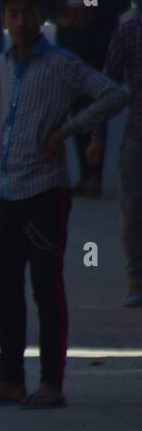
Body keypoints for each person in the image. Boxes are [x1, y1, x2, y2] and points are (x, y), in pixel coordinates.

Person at [0, 0, 127, 410]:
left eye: (27, 13)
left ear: (40, 17)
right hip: (6, 191)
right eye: (12, 14)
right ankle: (9, 379)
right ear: (3, 20)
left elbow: (114, 93)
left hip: (46, 191)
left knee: (46, 287)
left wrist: (70, 130)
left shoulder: (62, 64)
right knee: (3, 286)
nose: (20, 22)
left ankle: (51, 381)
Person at [38, 0, 130, 198]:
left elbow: (120, 0)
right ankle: (84, 173)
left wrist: (95, 13)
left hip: (99, 45)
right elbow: (43, 1)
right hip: (68, 47)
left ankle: (94, 174)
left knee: (97, 107)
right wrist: (60, 18)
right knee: (75, 109)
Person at [95, 17, 142, 305]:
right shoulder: (130, 29)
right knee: (133, 210)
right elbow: (107, 83)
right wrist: (97, 136)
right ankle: (136, 279)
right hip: (138, 132)